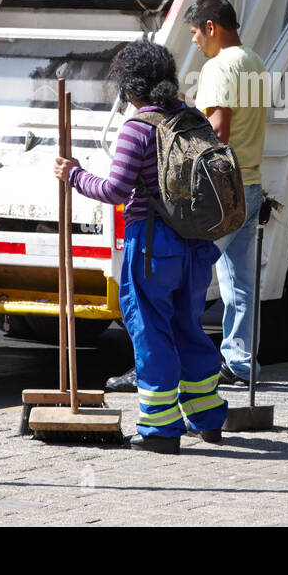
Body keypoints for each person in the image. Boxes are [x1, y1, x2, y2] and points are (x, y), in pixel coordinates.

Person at [55, 40, 228, 454]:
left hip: (152, 246)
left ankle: (159, 431)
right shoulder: (191, 117)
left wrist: (74, 175)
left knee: (151, 332)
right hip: (197, 243)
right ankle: (208, 417)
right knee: (188, 326)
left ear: (130, 90)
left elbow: (115, 189)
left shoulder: (137, 128)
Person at [185, 0, 268, 386]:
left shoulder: (219, 68)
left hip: (222, 191)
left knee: (190, 272)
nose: (193, 42)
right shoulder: (255, 62)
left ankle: (184, 360)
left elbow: (218, 131)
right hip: (251, 184)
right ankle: (239, 362)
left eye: (195, 33)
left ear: (212, 28)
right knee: (240, 281)